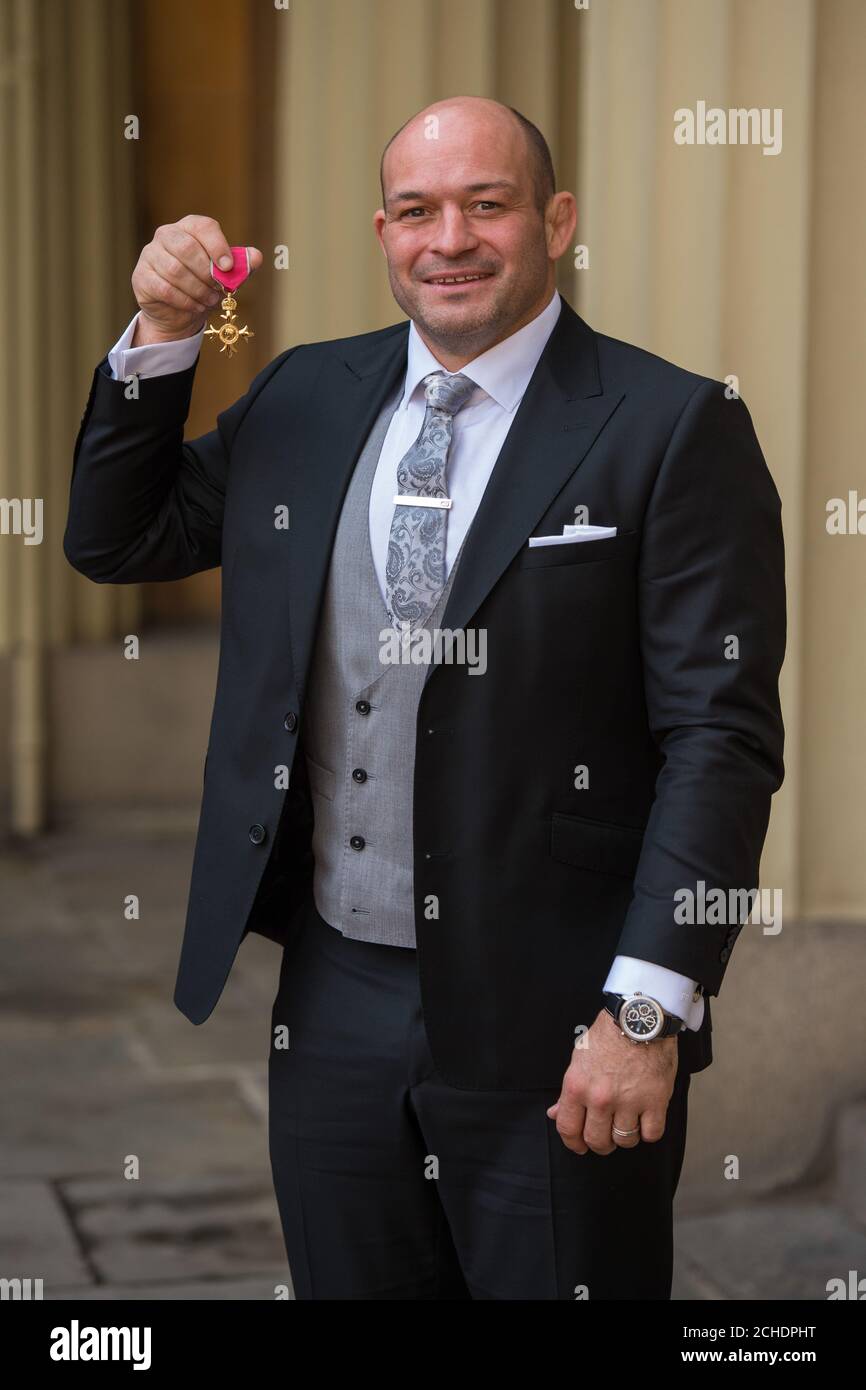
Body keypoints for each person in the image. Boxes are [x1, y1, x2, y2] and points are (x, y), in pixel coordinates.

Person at [64, 96, 786, 1300]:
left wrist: (644, 1013)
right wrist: (160, 333)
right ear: (384, 234)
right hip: (336, 986)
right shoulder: (305, 395)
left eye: (485, 204)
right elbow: (117, 538)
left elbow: (719, 738)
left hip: (560, 1004)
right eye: (415, 211)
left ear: (555, 221)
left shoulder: (669, 425)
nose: (447, 237)